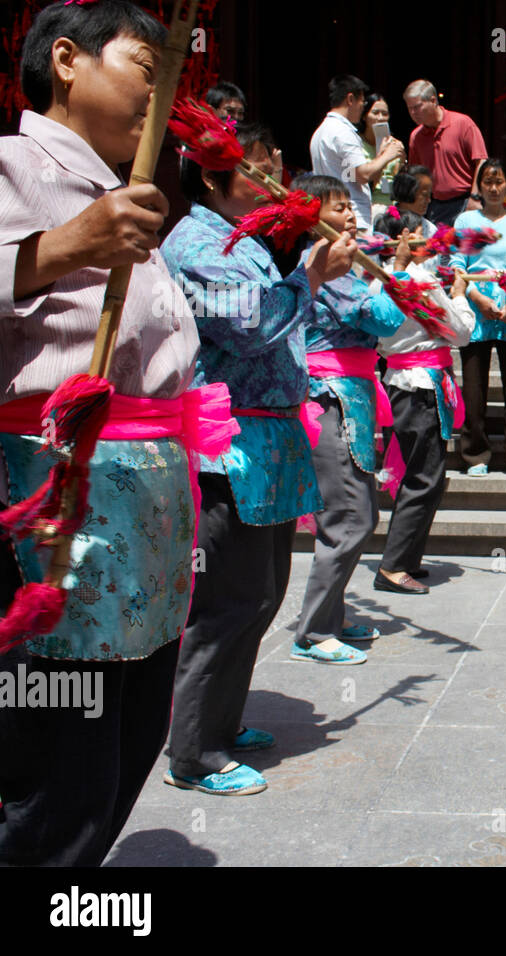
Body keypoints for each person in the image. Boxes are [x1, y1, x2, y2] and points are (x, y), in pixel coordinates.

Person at [0, 0, 212, 864]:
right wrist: (56, 249)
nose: (158, 97)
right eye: (144, 70)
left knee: (129, 739)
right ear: (66, 60)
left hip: (144, 504)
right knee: (60, 767)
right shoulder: (13, 164)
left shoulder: (134, 190)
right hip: (56, 496)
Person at [161, 123, 354, 796]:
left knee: (262, 595)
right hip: (229, 445)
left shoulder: (240, 240)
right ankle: (195, 750)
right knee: (226, 602)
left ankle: (223, 719)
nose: (274, 184)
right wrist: (309, 277)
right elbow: (247, 328)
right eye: (260, 171)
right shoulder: (194, 243)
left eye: (276, 169)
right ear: (213, 177)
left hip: (269, 439)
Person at [291, 174, 406, 663]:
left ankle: (329, 617)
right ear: (311, 216)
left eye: (351, 209)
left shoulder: (343, 268)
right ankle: (313, 632)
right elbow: (383, 319)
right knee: (348, 517)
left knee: (359, 514)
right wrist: (396, 272)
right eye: (339, 210)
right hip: (330, 396)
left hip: (352, 395)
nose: (352, 218)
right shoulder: (322, 267)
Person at [372, 213, 476, 593]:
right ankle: (394, 565)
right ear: (404, 239)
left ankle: (407, 558)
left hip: (400, 382)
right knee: (424, 476)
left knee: (421, 474)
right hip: (418, 385)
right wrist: (461, 296)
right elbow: (460, 333)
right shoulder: (418, 280)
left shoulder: (378, 276)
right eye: (421, 237)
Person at [449, 159, 506, 477]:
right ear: (479, 186)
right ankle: (475, 454)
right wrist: (476, 298)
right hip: (476, 307)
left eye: (499, 181)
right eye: (487, 181)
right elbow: (457, 264)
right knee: (473, 386)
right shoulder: (465, 220)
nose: (493, 187)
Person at [310, 74, 404, 234]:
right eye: (362, 102)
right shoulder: (343, 132)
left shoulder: (322, 130)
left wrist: (380, 155)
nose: (362, 108)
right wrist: (389, 154)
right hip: (352, 219)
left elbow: (352, 174)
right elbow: (362, 175)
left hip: (334, 215)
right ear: (350, 99)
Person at [404, 79, 487, 225]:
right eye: (409, 108)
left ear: (433, 100)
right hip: (434, 207)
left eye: (417, 107)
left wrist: (475, 197)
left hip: (465, 201)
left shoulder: (463, 124)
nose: (413, 113)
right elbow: (416, 174)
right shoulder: (416, 136)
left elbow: (481, 161)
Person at [359, 93, 402, 211]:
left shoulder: (394, 144)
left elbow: (399, 180)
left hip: (392, 206)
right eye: (375, 113)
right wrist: (382, 155)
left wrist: (403, 160)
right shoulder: (357, 144)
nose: (380, 118)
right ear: (364, 116)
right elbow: (365, 181)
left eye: (385, 114)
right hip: (369, 205)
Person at [386, 164, 439, 241]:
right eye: (424, 195)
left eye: (429, 195)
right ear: (406, 192)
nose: (429, 200)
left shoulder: (430, 229)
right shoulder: (384, 221)